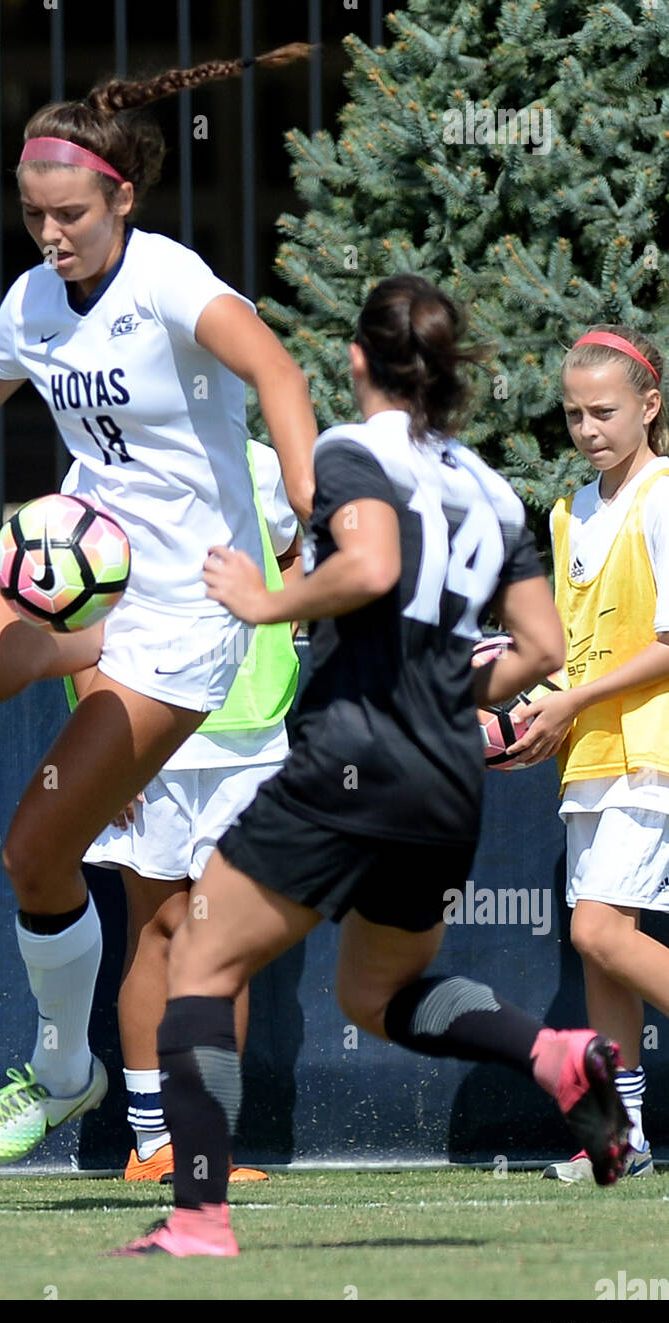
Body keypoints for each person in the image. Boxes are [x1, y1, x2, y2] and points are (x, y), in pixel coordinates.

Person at [0, 48, 316, 1159]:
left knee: (48, 854)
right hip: (79, 553)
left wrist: (311, 491)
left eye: (70, 213)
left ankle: (60, 1067)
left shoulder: (172, 283)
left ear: (123, 196)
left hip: (180, 619)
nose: (49, 234)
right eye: (34, 214)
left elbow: (278, 374)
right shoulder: (34, 300)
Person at [109, 274, 631, 1259]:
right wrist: (450, 692)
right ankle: (553, 1052)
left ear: (356, 364)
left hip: (353, 752)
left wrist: (266, 600)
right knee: (376, 998)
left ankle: (198, 1215)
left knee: (200, 957)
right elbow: (542, 645)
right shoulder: (480, 482)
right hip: (442, 777)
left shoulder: (352, 451)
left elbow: (373, 563)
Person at [79, 440, 299, 1183]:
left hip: (253, 736)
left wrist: (287, 632)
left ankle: (206, 1143)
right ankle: (152, 1146)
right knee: (154, 929)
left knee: (222, 941)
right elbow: (68, 602)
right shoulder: (102, 462)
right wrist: (103, 737)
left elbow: (292, 553)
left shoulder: (262, 463)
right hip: (149, 729)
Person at [503, 326, 669, 1183]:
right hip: (595, 750)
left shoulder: (665, 498)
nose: (587, 427)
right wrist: (547, 718)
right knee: (607, 946)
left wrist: (571, 699)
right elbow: (576, 652)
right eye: (572, 413)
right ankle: (621, 1139)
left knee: (597, 931)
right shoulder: (573, 508)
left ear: (650, 406)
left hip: (654, 748)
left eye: (604, 410)